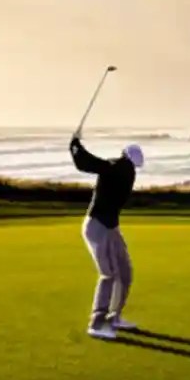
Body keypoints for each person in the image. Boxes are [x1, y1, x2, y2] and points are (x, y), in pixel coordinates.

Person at [70, 133, 144, 340]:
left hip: (111, 226)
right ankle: (96, 323)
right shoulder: (117, 167)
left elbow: (88, 163)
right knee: (108, 274)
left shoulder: (120, 170)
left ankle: (114, 317)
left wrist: (76, 145)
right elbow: (86, 163)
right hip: (97, 226)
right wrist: (75, 147)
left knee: (125, 272)